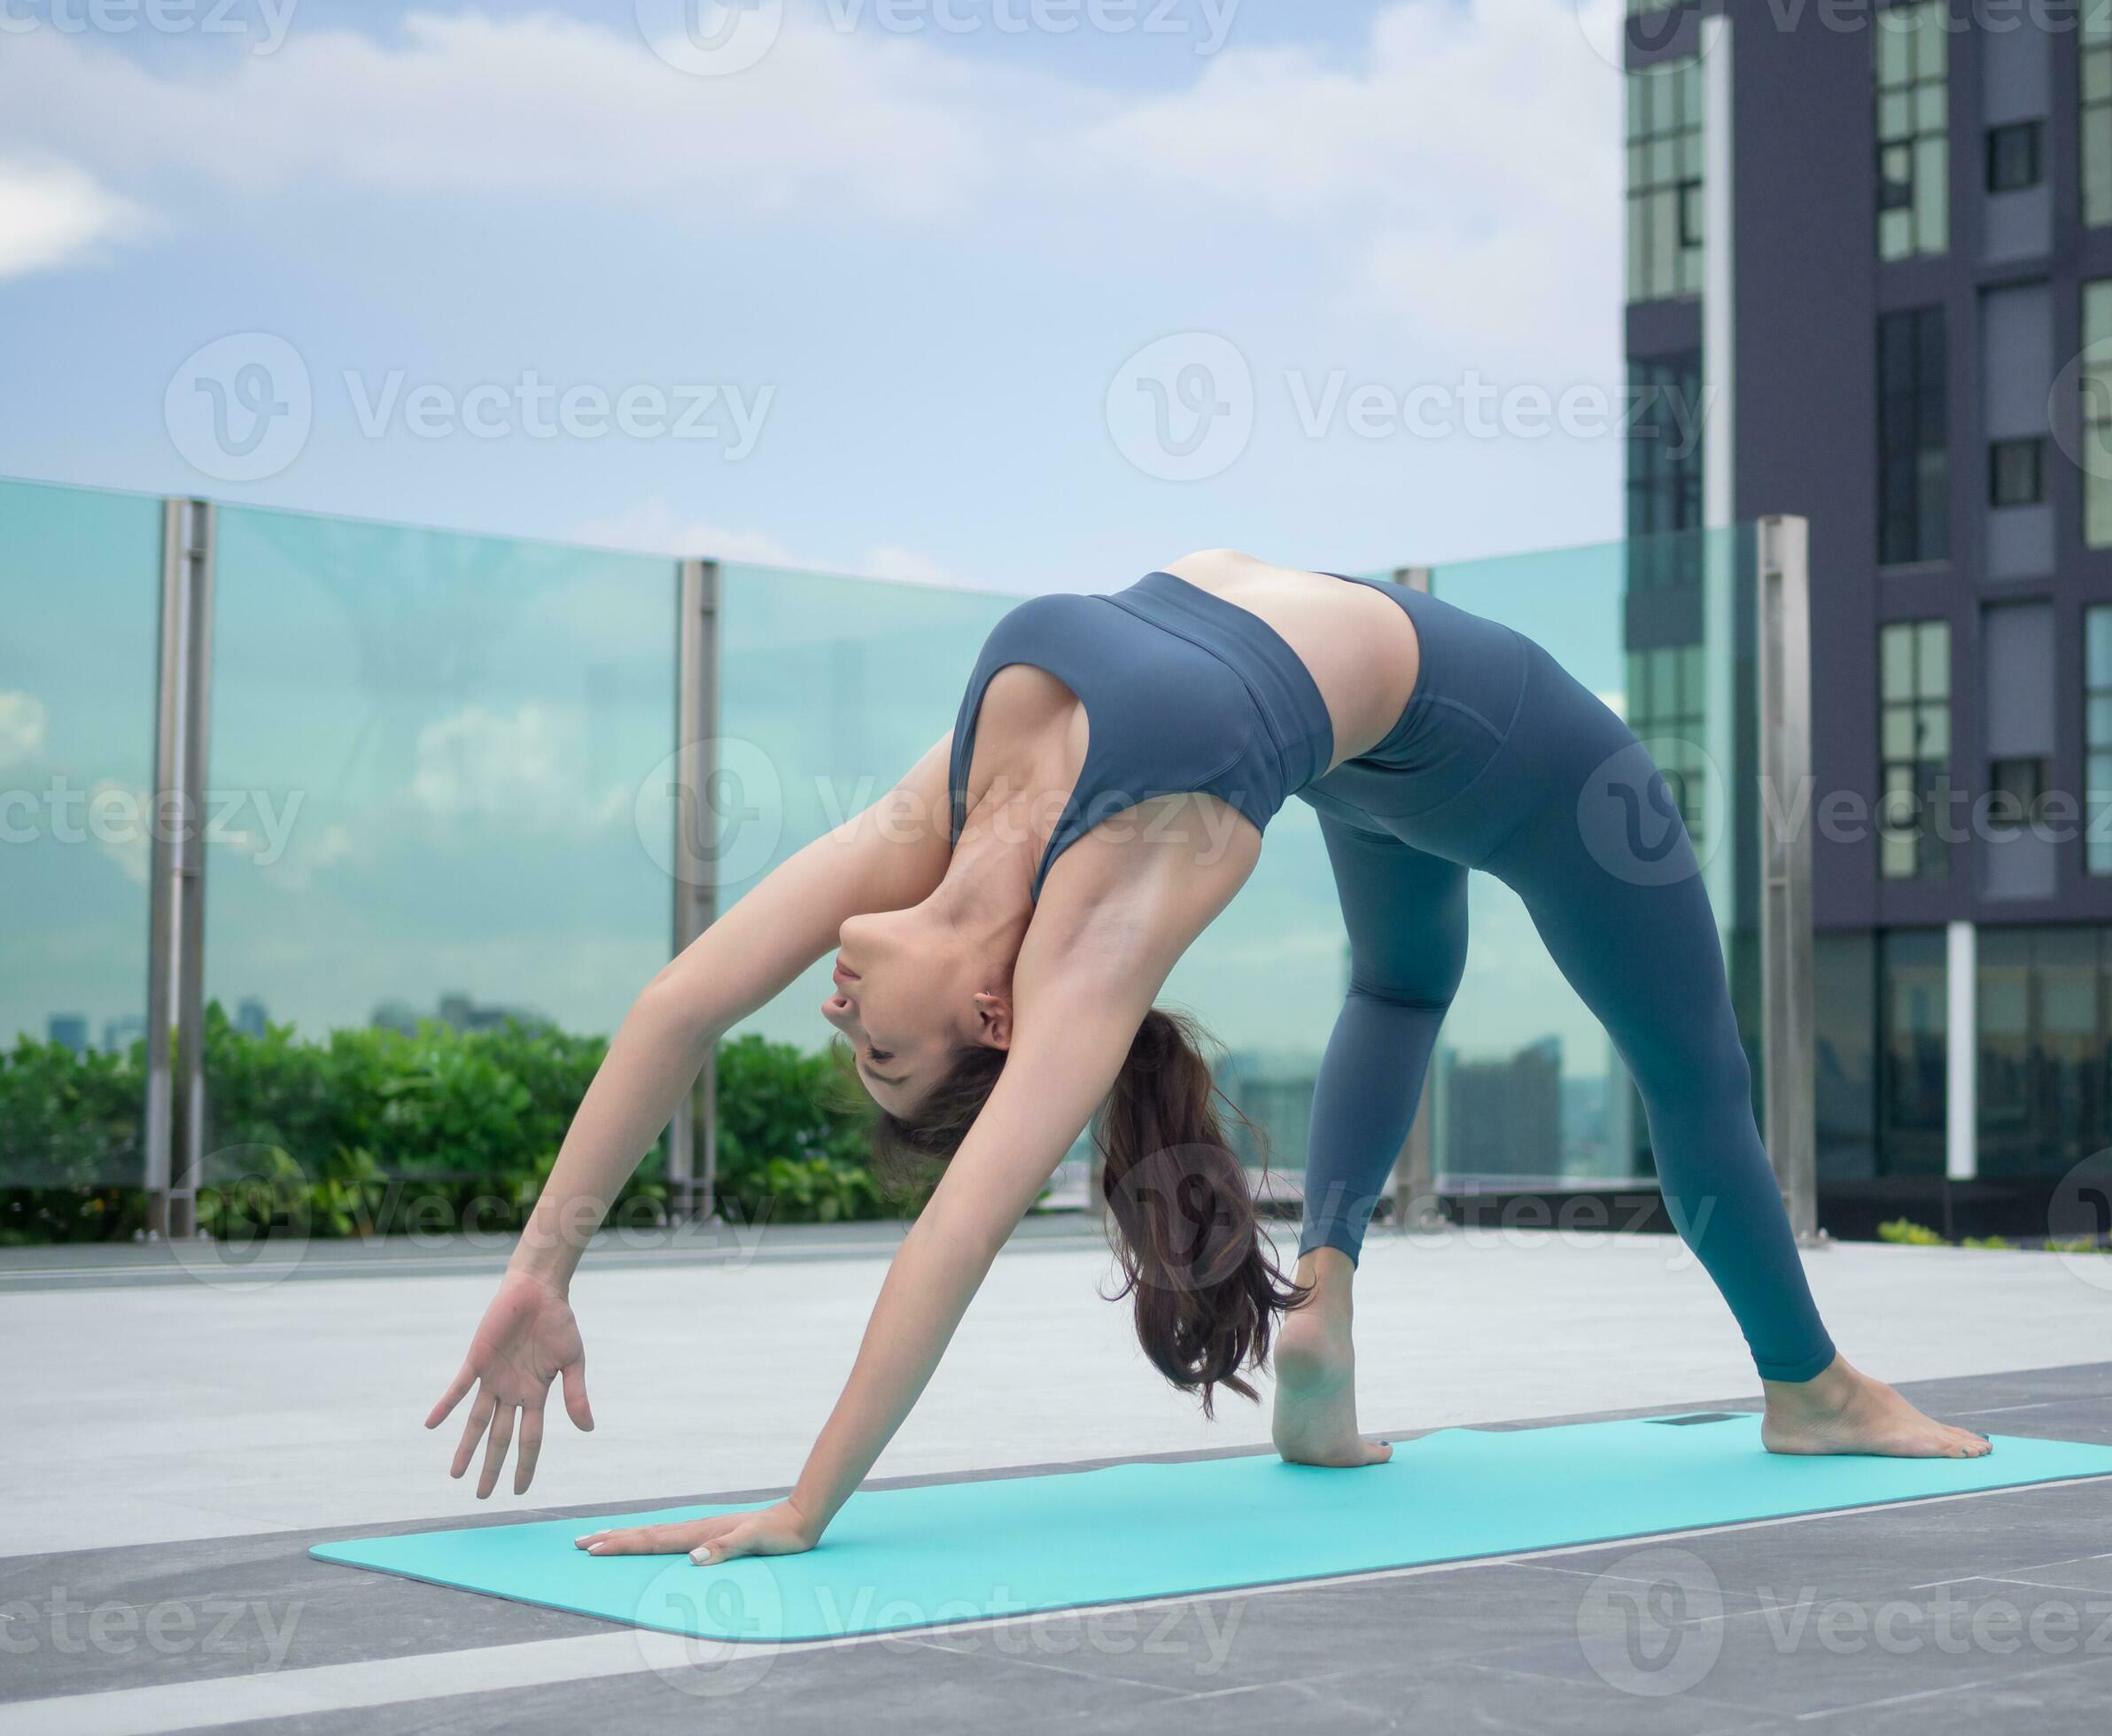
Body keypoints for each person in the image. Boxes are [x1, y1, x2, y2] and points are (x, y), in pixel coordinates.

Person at [426, 550, 1988, 1568]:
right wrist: (806, 1506)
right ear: (991, 1023)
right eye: (882, 1060)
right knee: (1691, 1071)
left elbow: (676, 1008)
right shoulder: (1098, 927)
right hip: (1539, 759)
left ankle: (1330, 1316)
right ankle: (1810, 1388)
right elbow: (955, 1231)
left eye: (853, 1048)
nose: (839, 1023)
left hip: (1385, 749)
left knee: (1406, 983)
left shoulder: (948, 808)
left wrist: (542, 1268)